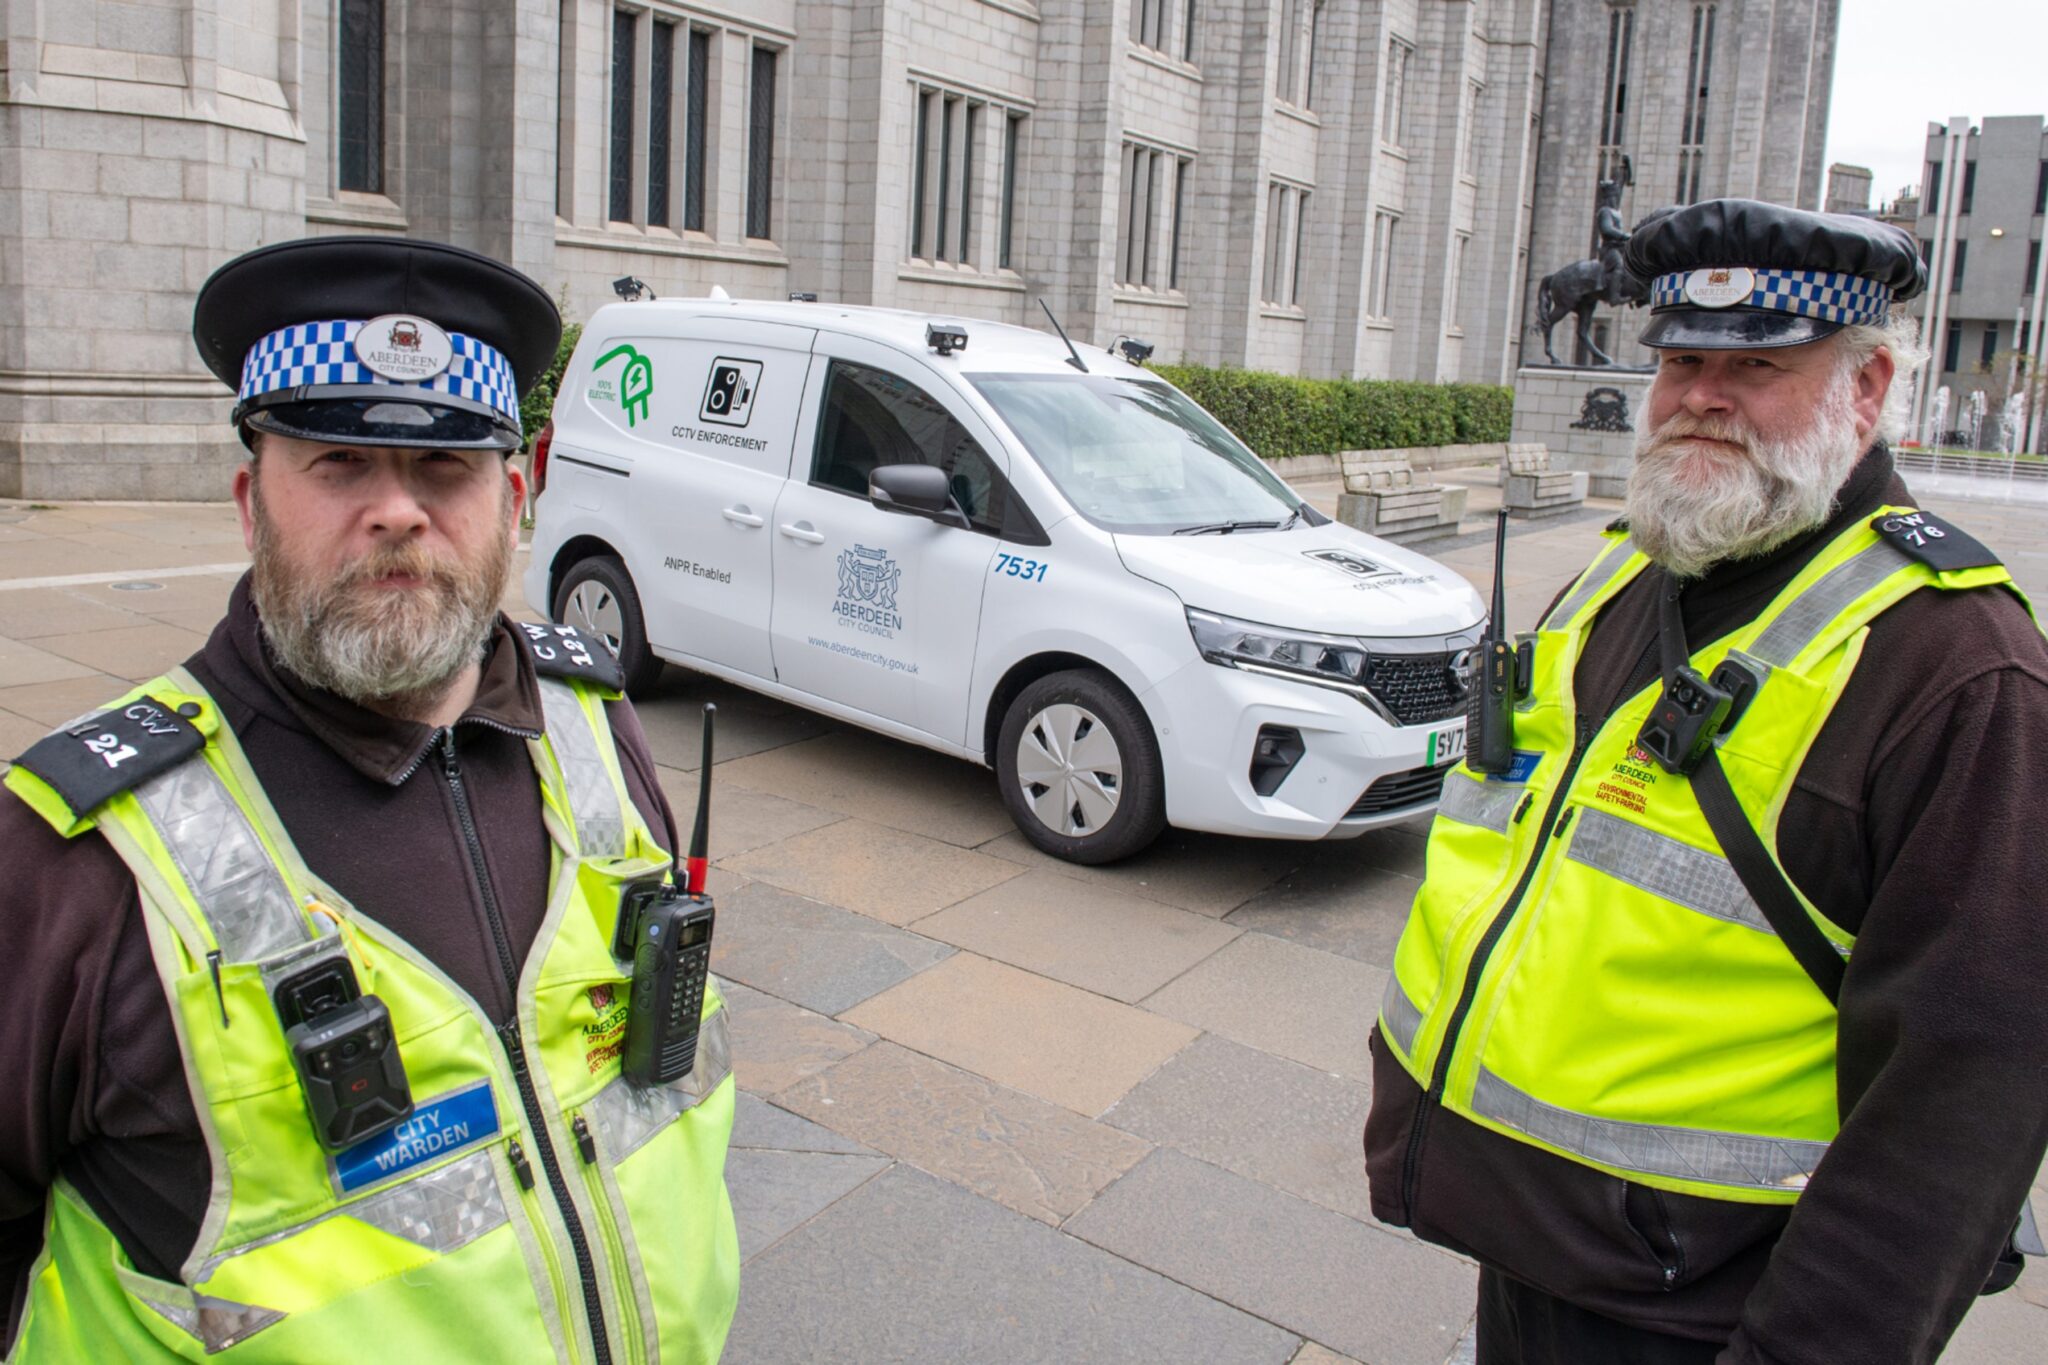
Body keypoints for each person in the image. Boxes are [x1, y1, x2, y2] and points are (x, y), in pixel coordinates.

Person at [0, 237, 739, 1360]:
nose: (397, 512)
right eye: (340, 465)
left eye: (444, 471)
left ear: (516, 494)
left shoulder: (595, 719)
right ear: (253, 499)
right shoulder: (72, 856)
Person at [1364, 199, 2048, 1363]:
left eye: (1755, 366)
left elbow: (1958, 1103)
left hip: (1706, 1309)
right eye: (1681, 359)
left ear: (1866, 388)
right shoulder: (1635, 568)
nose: (1699, 397)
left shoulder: (1958, 671)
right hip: (1534, 1244)